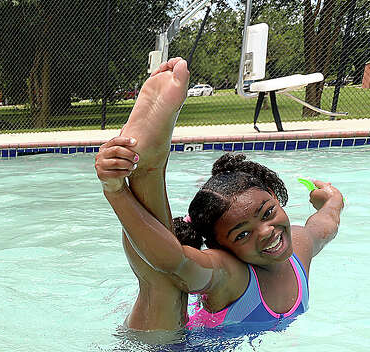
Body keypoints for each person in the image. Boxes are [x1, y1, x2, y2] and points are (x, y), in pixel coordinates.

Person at [95, 58, 345, 333]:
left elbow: (326, 224)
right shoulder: (231, 274)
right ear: (220, 248)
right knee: (163, 280)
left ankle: (149, 168)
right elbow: (172, 260)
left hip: (196, 346)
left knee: (165, 275)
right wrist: (115, 191)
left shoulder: (301, 245)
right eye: (242, 235)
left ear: (274, 196)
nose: (265, 232)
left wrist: (332, 200)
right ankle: (150, 168)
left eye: (267, 213)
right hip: (166, 349)